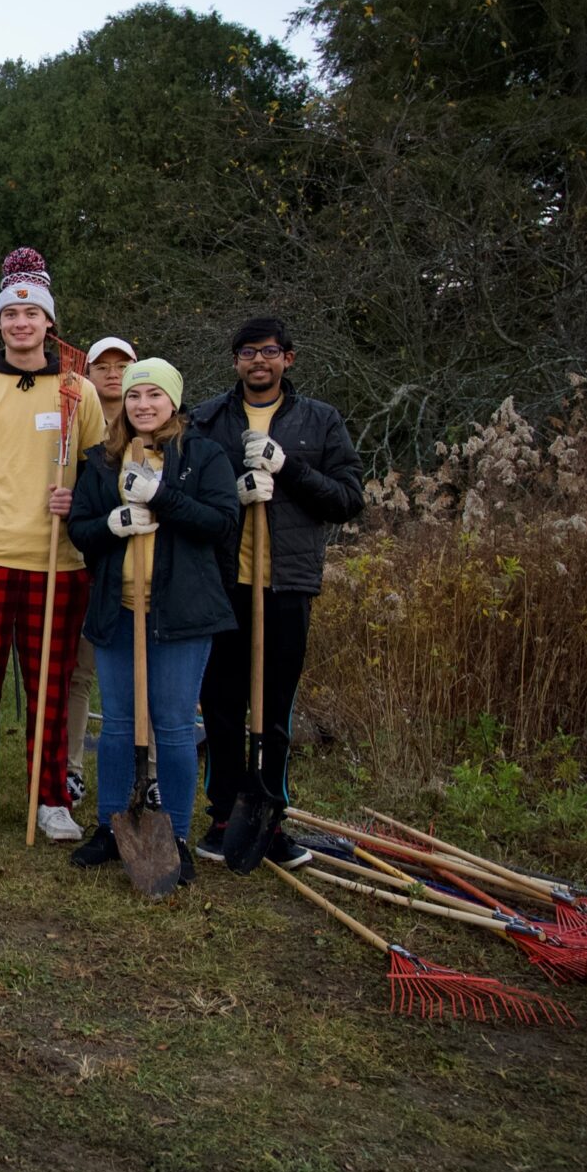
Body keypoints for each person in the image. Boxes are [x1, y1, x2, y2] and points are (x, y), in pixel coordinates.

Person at [0, 248, 104, 841]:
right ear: (1, 323)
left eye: (32, 313)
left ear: (48, 322)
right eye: (11, 314)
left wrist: (77, 508)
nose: (21, 323)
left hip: (58, 562)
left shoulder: (78, 391)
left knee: (50, 690)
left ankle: (50, 797)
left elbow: (97, 475)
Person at [190, 318, 364, 866]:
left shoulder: (320, 420)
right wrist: (233, 494)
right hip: (223, 584)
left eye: (269, 352)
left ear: (289, 358)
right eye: (248, 352)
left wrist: (287, 468)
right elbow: (185, 492)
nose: (258, 361)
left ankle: (269, 817)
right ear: (235, 361)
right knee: (221, 705)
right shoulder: (208, 419)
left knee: (276, 711)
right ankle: (223, 816)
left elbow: (347, 500)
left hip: (285, 585)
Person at [65, 359, 238, 883]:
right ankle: (110, 825)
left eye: (154, 395)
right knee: (117, 725)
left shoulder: (203, 457)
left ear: (173, 401)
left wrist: (161, 497)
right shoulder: (102, 460)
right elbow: (80, 528)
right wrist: (113, 523)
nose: (142, 404)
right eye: (136, 395)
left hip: (182, 614)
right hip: (118, 610)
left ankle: (176, 837)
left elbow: (222, 523)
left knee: (175, 727)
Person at [58, 333, 137, 804]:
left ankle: (139, 771)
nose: (112, 373)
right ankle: (70, 766)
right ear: (87, 374)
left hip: (141, 570)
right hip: (84, 561)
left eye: (121, 365)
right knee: (79, 673)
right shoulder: (78, 421)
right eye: (101, 365)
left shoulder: (153, 421)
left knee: (134, 674)